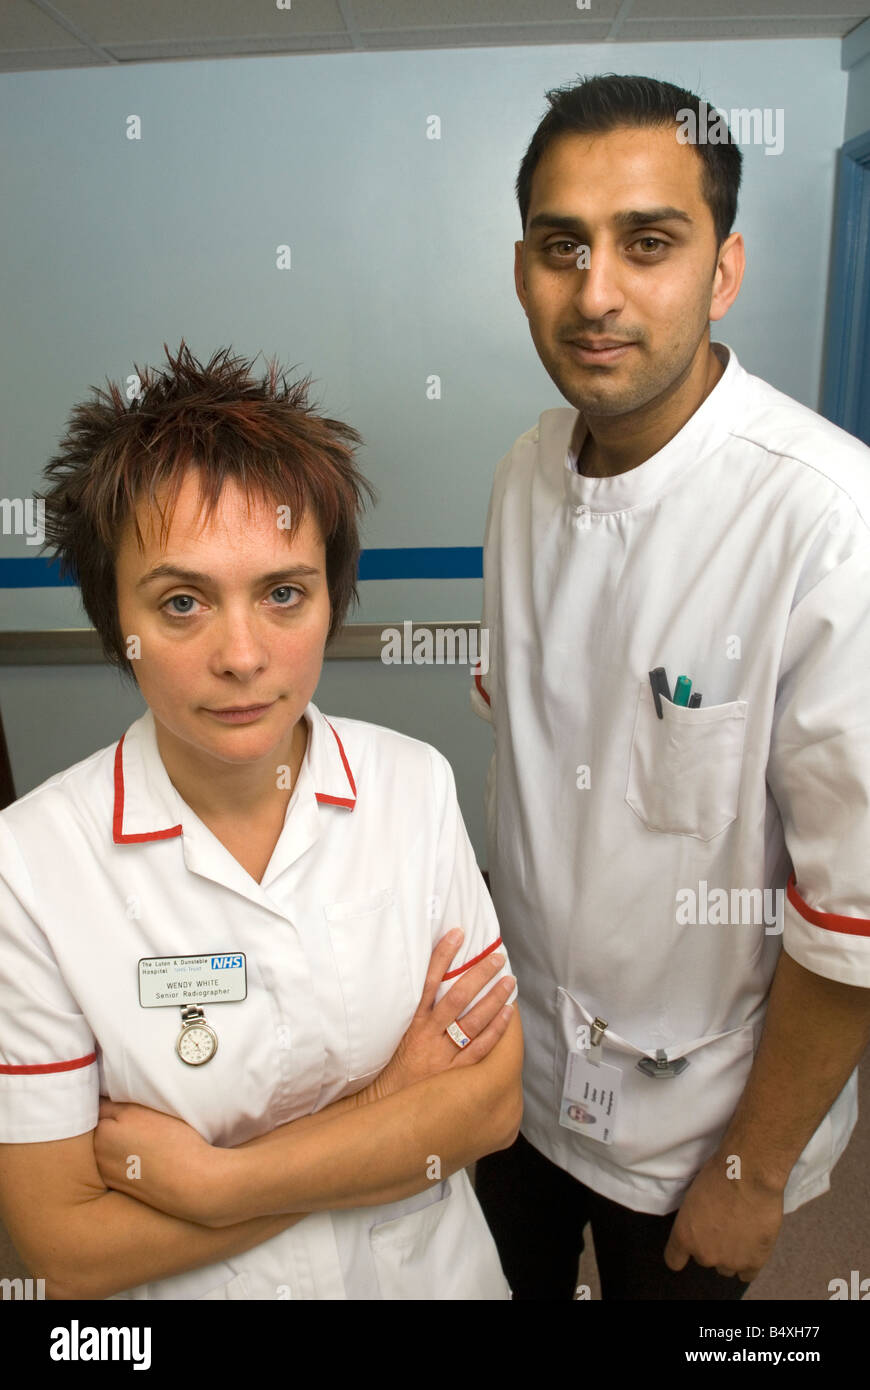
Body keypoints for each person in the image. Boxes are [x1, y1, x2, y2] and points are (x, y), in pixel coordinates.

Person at [0, 343, 522, 1301]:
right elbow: (65, 1246)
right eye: (183, 603)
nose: (243, 656)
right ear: (111, 616)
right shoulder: (29, 867)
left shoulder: (413, 786)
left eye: (284, 593)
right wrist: (388, 1109)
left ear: (331, 596)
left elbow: (489, 1106)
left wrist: (217, 1180)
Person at [471, 73, 870, 1300]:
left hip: (702, 1126)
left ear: (724, 269)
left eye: (649, 243)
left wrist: (752, 1169)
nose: (597, 293)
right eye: (561, 246)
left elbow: (852, 912)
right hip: (514, 1080)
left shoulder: (827, 519)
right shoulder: (524, 473)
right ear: (523, 265)